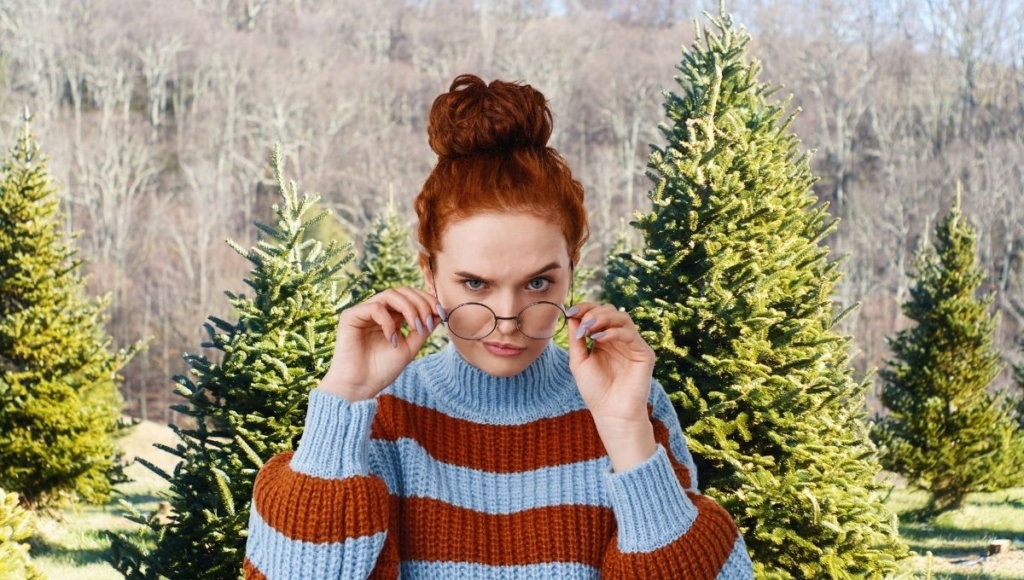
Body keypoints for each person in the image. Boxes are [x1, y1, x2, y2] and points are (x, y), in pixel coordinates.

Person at [243, 74, 754, 579]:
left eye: (537, 284)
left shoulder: (634, 407)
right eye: (475, 285)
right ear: (430, 274)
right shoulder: (382, 413)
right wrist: (345, 396)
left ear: (572, 267)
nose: (507, 321)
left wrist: (626, 436)